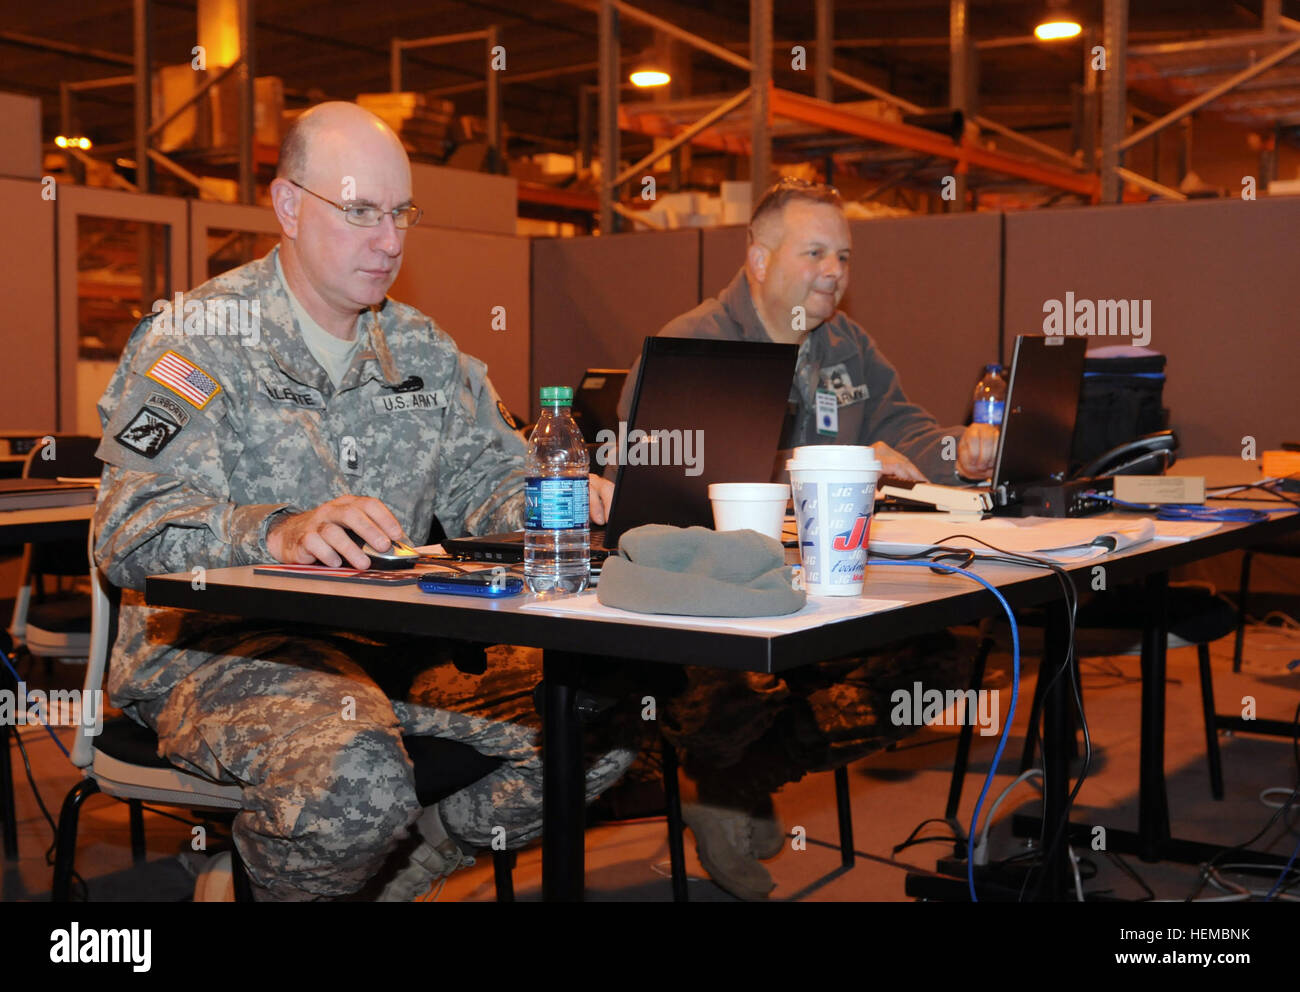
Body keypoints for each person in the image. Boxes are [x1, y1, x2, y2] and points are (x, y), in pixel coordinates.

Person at [93, 101, 632, 901]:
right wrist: (278, 532)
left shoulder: (422, 351)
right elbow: (129, 530)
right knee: (354, 778)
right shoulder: (196, 340)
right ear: (286, 205)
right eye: (359, 213)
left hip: (389, 635)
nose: (388, 242)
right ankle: (262, 879)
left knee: (611, 708)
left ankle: (403, 868)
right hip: (219, 645)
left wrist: (553, 500)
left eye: (399, 214)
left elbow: (485, 484)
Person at [614, 179, 998, 900]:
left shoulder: (845, 344)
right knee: (746, 680)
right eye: (815, 252)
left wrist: (959, 450)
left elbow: (902, 428)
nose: (834, 272)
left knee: (944, 651)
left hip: (827, 583)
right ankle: (714, 772)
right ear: (758, 259)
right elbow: (647, 495)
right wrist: (815, 471)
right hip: (716, 599)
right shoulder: (696, 349)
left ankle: (735, 781)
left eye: (844, 257)